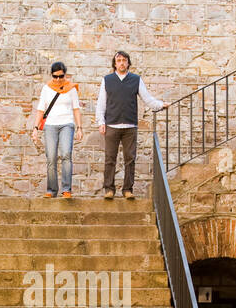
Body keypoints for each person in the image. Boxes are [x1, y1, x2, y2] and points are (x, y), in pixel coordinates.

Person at [95, 49, 165, 200]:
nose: (122, 63)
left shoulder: (136, 79)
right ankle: (109, 189)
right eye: (119, 60)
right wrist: (101, 122)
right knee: (110, 159)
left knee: (130, 159)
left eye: (124, 61)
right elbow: (101, 103)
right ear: (114, 64)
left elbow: (147, 99)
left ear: (128, 63)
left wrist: (160, 105)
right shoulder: (107, 80)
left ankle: (127, 189)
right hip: (112, 125)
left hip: (130, 126)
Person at [32, 61, 83, 198]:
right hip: (50, 126)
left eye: (61, 76)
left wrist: (79, 128)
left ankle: (66, 189)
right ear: (52, 76)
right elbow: (40, 110)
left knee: (66, 154)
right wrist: (35, 128)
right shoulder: (46, 88)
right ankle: (51, 190)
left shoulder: (71, 88)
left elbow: (76, 109)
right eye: (55, 76)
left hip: (67, 123)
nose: (58, 79)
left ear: (65, 75)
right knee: (51, 157)